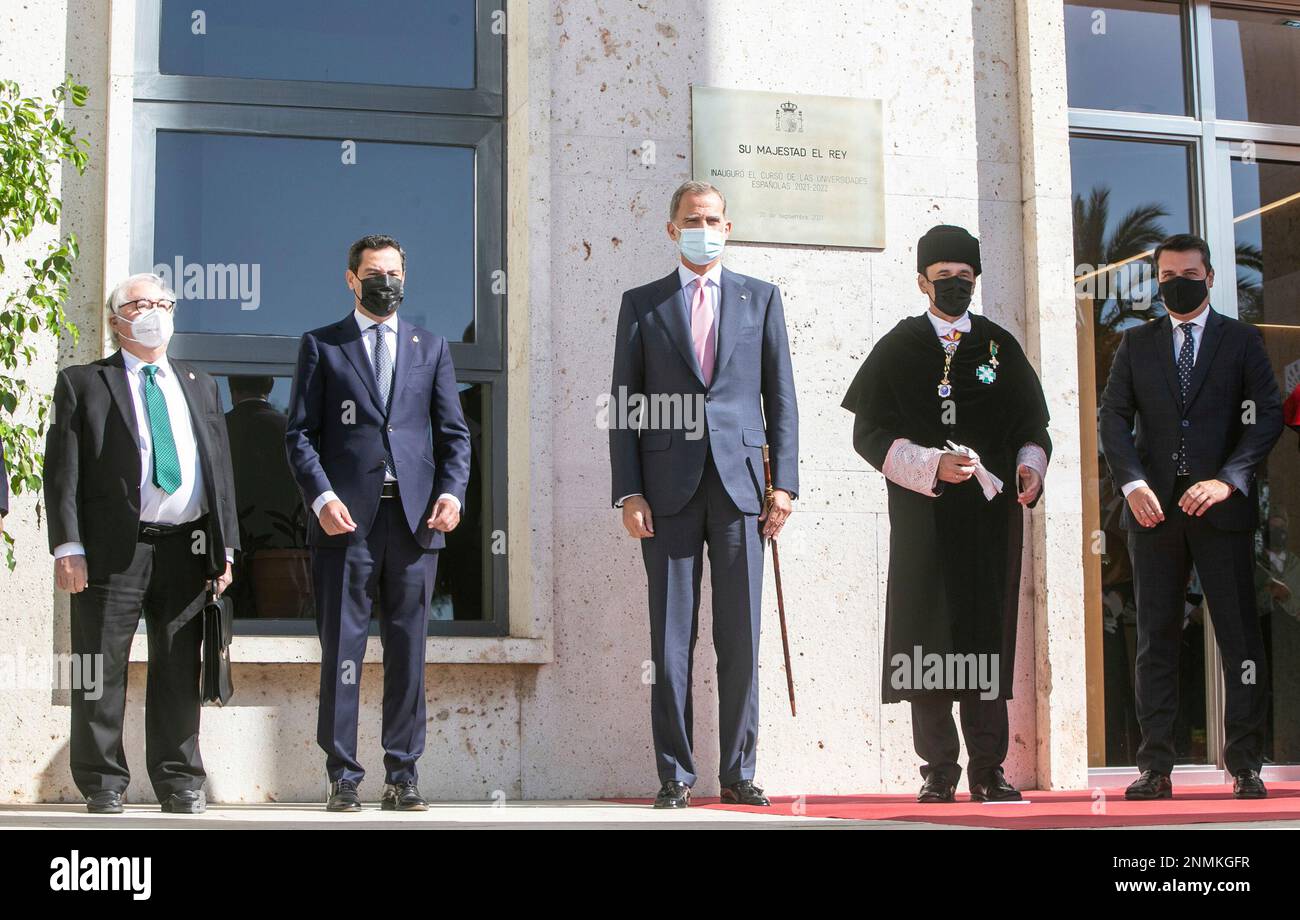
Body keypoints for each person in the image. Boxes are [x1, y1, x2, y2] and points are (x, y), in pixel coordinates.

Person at [841, 224, 1051, 803]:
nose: (956, 287)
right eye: (944, 279)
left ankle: (989, 769)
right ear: (920, 282)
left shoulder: (998, 347)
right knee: (926, 638)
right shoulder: (899, 346)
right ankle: (938, 768)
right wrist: (929, 465)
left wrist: (1030, 467)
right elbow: (868, 433)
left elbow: (1033, 427)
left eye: (965, 278)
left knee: (985, 634)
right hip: (924, 520)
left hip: (988, 521)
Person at [609, 180, 799, 809]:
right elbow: (625, 407)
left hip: (744, 489)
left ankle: (739, 773)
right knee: (670, 639)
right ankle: (675, 775)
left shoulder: (761, 299)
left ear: (729, 226)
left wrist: (785, 484)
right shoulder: (642, 304)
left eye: (714, 219)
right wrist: (628, 490)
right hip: (666, 491)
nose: (704, 227)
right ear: (672, 229)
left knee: (740, 636)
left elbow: (782, 399)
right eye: (692, 219)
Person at [285, 234, 471, 812]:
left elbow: (454, 436)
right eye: (372, 272)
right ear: (350, 278)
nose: (384, 281)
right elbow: (299, 435)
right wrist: (321, 498)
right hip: (346, 526)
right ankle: (343, 774)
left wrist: (453, 493)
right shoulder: (322, 345)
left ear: (405, 279)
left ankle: (403, 773)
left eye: (392, 272)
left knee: (408, 651)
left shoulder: (432, 347)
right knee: (343, 650)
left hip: (415, 526)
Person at [43, 273, 238, 814]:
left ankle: (179, 781)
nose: (153, 311)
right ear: (116, 321)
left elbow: (219, 469)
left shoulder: (200, 382)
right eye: (139, 304)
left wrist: (226, 548)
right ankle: (103, 783)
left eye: (161, 302)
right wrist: (68, 547)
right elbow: (62, 471)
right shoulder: (83, 383)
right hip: (111, 551)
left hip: (187, 548)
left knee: (179, 667)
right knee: (99, 668)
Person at [1099, 232, 1281, 800]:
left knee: (1239, 637)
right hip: (1153, 514)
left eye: (1189, 273)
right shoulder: (1135, 344)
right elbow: (1112, 420)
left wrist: (1229, 480)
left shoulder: (1242, 340)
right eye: (1167, 275)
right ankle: (1156, 765)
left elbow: (1266, 417)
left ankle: (1246, 763)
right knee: (1155, 637)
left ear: (1209, 277)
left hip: (1220, 511)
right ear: (1158, 280)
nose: (1178, 282)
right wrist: (1131, 484)